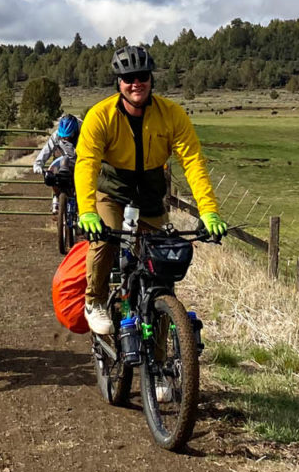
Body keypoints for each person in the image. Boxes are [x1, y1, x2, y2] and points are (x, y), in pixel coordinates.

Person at [73, 45, 228, 337]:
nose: (136, 83)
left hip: (150, 193)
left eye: (142, 75)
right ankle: (94, 301)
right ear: (118, 82)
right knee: (104, 238)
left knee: (161, 269)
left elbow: (192, 161)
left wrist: (208, 211)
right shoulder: (100, 116)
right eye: (128, 77)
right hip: (112, 190)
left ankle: (160, 371)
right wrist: (87, 212)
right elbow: (86, 164)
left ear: (151, 79)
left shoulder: (172, 114)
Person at [32, 112, 82, 210]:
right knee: (53, 174)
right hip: (66, 158)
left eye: (68, 136)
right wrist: (38, 164)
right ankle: (56, 197)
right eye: (63, 136)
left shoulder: (86, 131)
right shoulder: (57, 135)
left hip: (83, 159)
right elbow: (47, 149)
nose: (65, 138)